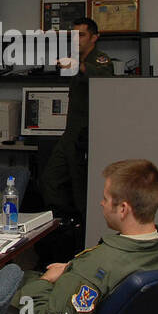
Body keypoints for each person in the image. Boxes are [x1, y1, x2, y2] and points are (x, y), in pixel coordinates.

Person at [10, 159, 158, 314]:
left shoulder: (92, 269)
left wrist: (43, 282)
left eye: (105, 198)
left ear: (123, 209)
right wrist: (72, 270)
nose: (101, 203)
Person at [40, 17, 114, 220]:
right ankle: (64, 223)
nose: (76, 40)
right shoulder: (75, 62)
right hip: (70, 134)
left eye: (81, 35)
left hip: (86, 136)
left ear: (94, 37)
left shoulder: (100, 59)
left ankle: (83, 230)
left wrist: (79, 66)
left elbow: (105, 78)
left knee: (82, 188)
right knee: (51, 180)